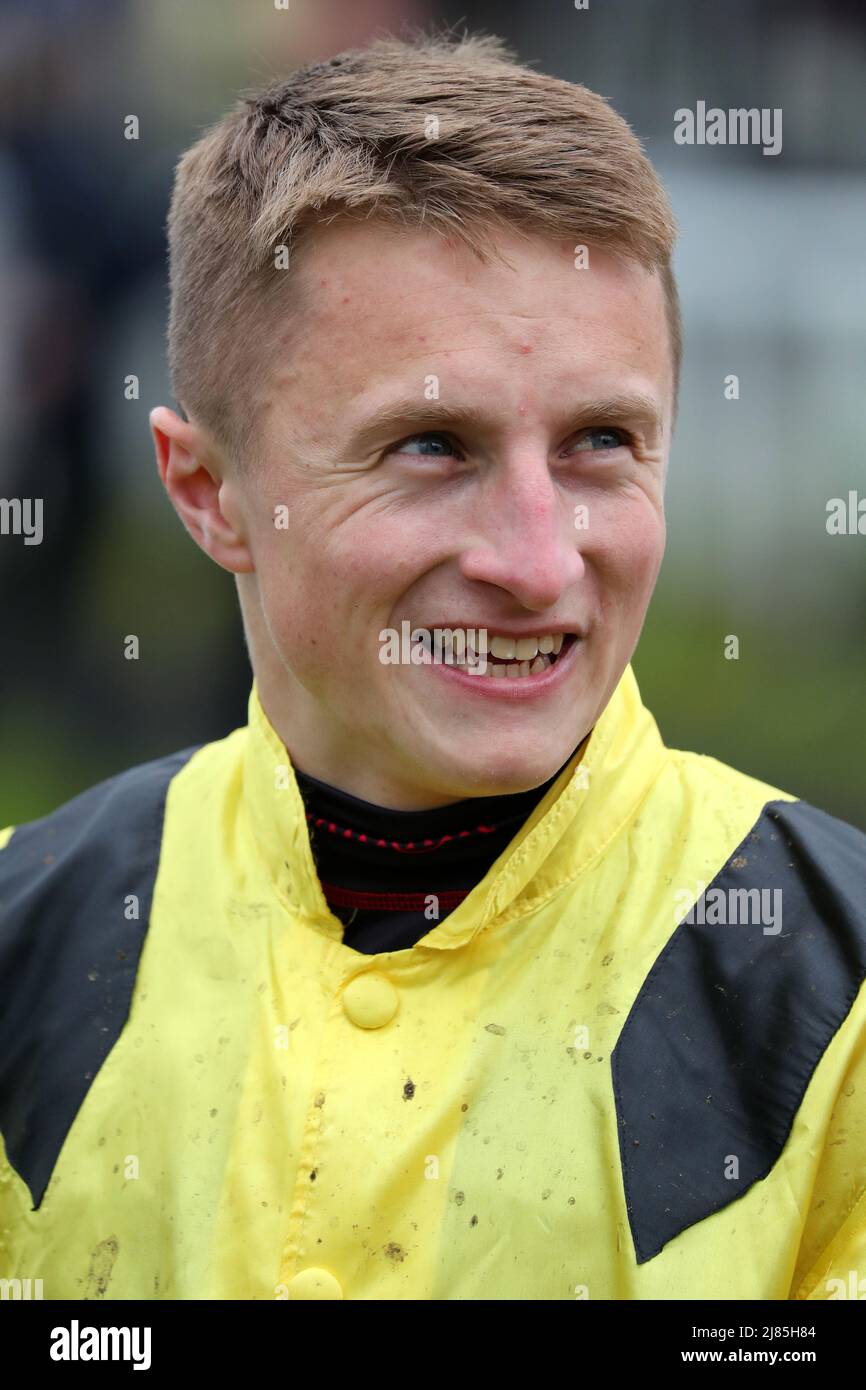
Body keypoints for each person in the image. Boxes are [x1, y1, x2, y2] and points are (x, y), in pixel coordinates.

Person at [1, 31, 864, 1303]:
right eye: (428, 445)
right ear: (208, 490)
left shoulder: (832, 986)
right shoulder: (28, 938)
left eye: (600, 442)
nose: (534, 559)